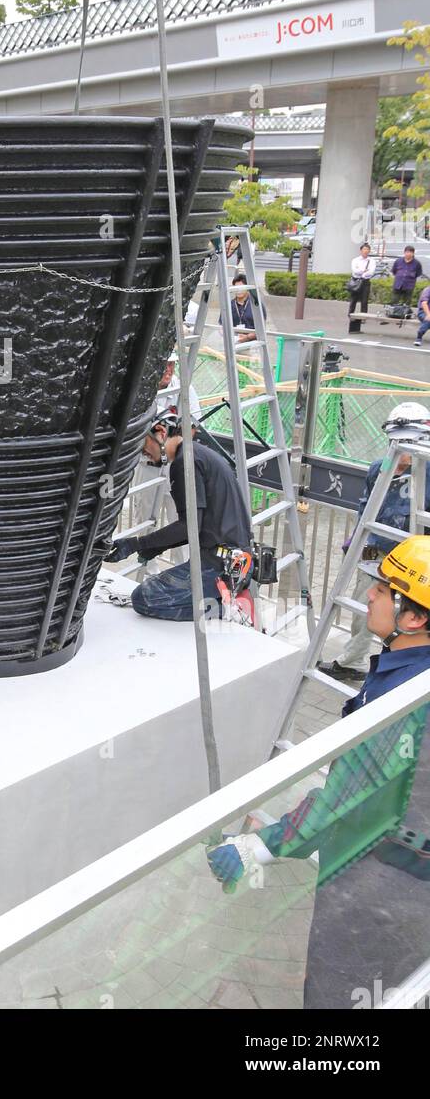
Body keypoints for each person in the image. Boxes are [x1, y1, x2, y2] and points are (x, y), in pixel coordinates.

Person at [207, 536, 430, 1010]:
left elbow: (347, 799)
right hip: (400, 871)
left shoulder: (405, 699)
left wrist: (259, 847)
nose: (369, 594)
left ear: (414, 618)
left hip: (382, 888)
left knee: (342, 990)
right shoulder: (410, 670)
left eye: (383, 588)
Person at [318, 402, 430, 684]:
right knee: (365, 612)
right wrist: (355, 544)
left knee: (408, 622)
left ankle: (401, 670)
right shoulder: (379, 468)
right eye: (396, 442)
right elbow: (365, 510)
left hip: (415, 568)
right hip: (377, 556)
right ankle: (353, 661)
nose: (401, 450)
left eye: (407, 442)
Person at [108, 407, 253, 622]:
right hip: (235, 563)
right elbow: (195, 526)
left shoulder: (184, 463)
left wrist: (135, 544)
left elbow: (188, 527)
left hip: (219, 567)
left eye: (142, 443)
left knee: (143, 597)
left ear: (160, 432)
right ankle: (223, 601)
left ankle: (225, 609)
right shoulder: (197, 454)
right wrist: (153, 547)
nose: (142, 452)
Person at [347, 241, 377, 334]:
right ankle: (350, 315)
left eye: (367, 249)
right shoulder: (355, 260)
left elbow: (371, 272)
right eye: (364, 249)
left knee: (364, 301)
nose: (366, 251)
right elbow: (354, 271)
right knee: (353, 300)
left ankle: (363, 317)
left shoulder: (372, 261)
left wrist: (362, 272)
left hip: (365, 282)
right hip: (356, 281)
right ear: (361, 250)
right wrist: (363, 271)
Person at [230, 272, 259, 343]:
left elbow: (261, 330)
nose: (238, 290)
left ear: (247, 288)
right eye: (236, 288)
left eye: (241, 288)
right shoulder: (229, 305)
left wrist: (247, 337)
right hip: (232, 343)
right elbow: (221, 326)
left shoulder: (256, 305)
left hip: (252, 344)